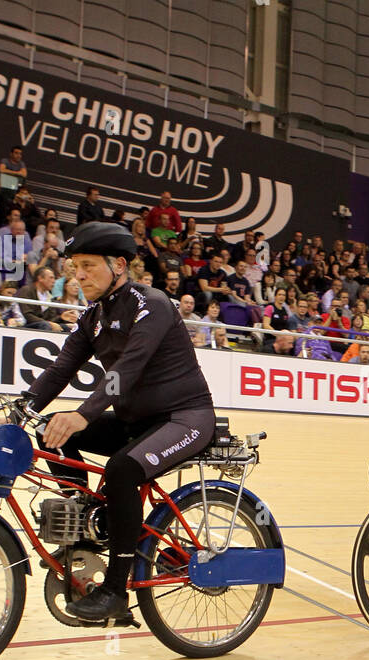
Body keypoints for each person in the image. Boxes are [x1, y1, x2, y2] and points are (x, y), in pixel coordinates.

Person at [14, 221, 217, 622]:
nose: (79, 275)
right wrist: (21, 408)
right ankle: (84, 525)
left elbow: (127, 369)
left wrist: (83, 414)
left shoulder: (152, 304)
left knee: (122, 469)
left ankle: (114, 591)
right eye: (75, 267)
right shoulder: (94, 316)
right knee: (48, 429)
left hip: (185, 419)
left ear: (120, 265)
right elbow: (60, 370)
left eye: (88, 265)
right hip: (137, 422)